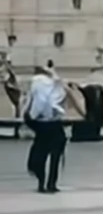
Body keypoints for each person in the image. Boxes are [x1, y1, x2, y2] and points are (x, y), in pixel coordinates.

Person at [24, 65, 82, 193]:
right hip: (55, 125)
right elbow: (70, 101)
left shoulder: (37, 84)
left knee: (41, 154)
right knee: (55, 156)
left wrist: (30, 116)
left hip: (43, 125)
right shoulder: (58, 84)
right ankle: (51, 183)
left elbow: (33, 105)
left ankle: (41, 181)